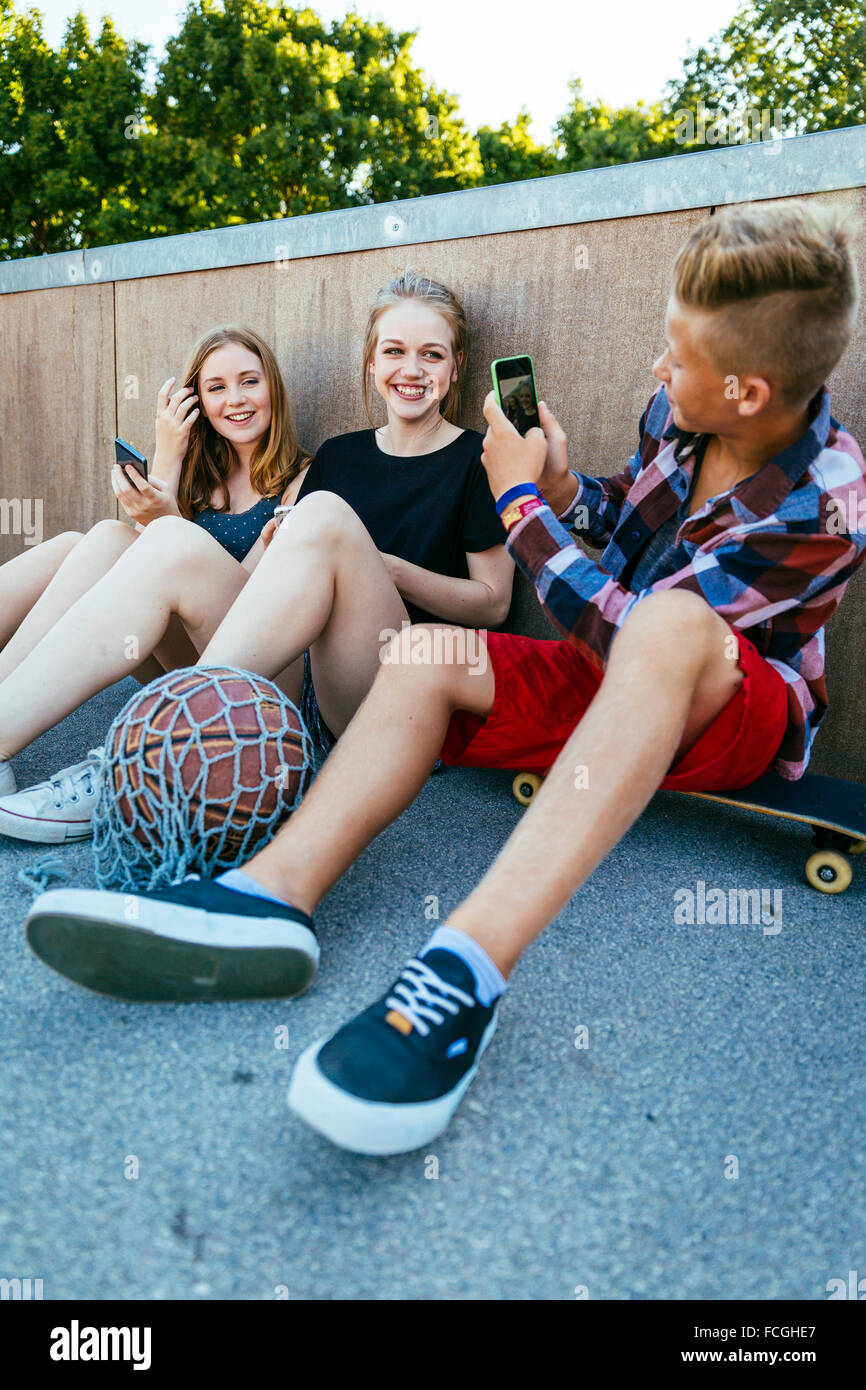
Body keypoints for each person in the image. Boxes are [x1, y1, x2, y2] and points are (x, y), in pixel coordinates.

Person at [31, 201, 864, 1159]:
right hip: (603, 671)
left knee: (675, 625)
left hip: (730, 708)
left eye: (676, 353)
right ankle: (269, 897)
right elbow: (622, 528)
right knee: (418, 658)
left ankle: (460, 970)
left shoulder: (831, 499)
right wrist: (561, 490)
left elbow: (627, 623)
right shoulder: (680, 412)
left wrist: (514, 501)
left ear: (751, 392)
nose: (657, 367)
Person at [0, 271, 512, 841]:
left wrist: (379, 564)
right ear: (372, 362)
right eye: (394, 351)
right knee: (136, 539)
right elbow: (249, 591)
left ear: (457, 366)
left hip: (385, 697)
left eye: (431, 355)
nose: (411, 370)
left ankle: (143, 757)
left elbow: (493, 605)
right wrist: (267, 547)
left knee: (323, 516)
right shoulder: (341, 455)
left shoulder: (479, 459)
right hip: (290, 684)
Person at [0, 324, 309, 841]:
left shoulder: (304, 477)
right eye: (216, 388)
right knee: (104, 538)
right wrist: (169, 450)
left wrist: (168, 518)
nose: (235, 399)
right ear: (197, 402)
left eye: (249, 382)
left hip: (265, 681)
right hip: (188, 667)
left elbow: (260, 607)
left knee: (162, 539)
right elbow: (131, 577)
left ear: (272, 388)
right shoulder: (197, 476)